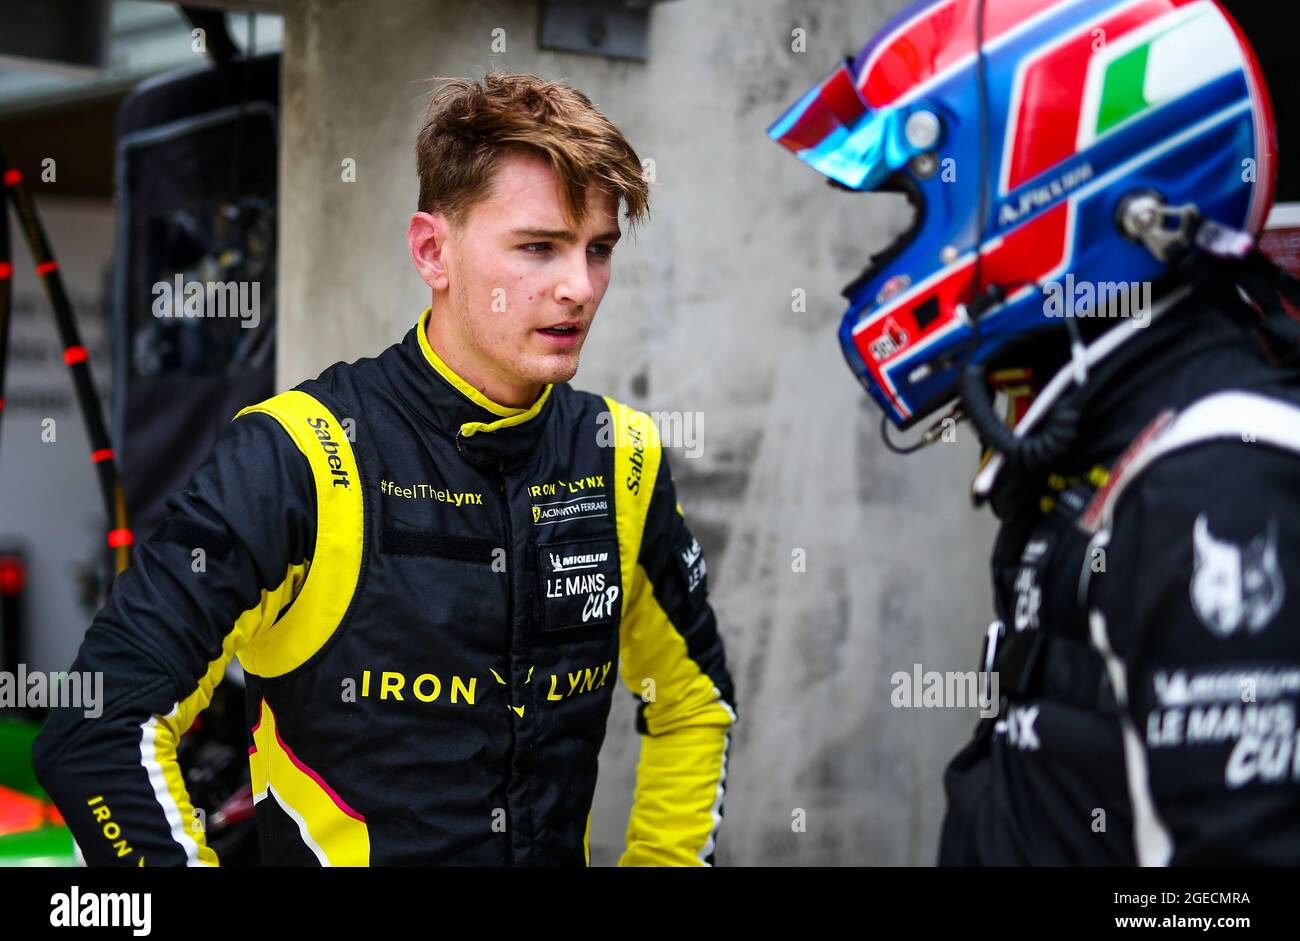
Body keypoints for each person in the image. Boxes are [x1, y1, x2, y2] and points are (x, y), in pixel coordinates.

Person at [33, 71, 737, 866]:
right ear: (433, 250)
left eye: (598, 249)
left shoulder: (621, 455)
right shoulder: (299, 452)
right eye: (539, 246)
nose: (579, 287)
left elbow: (693, 704)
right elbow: (97, 732)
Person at [769, 0, 1300, 863]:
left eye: (920, 211)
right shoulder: (1108, 439)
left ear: (1066, 191)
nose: (896, 265)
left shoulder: (1212, 481)